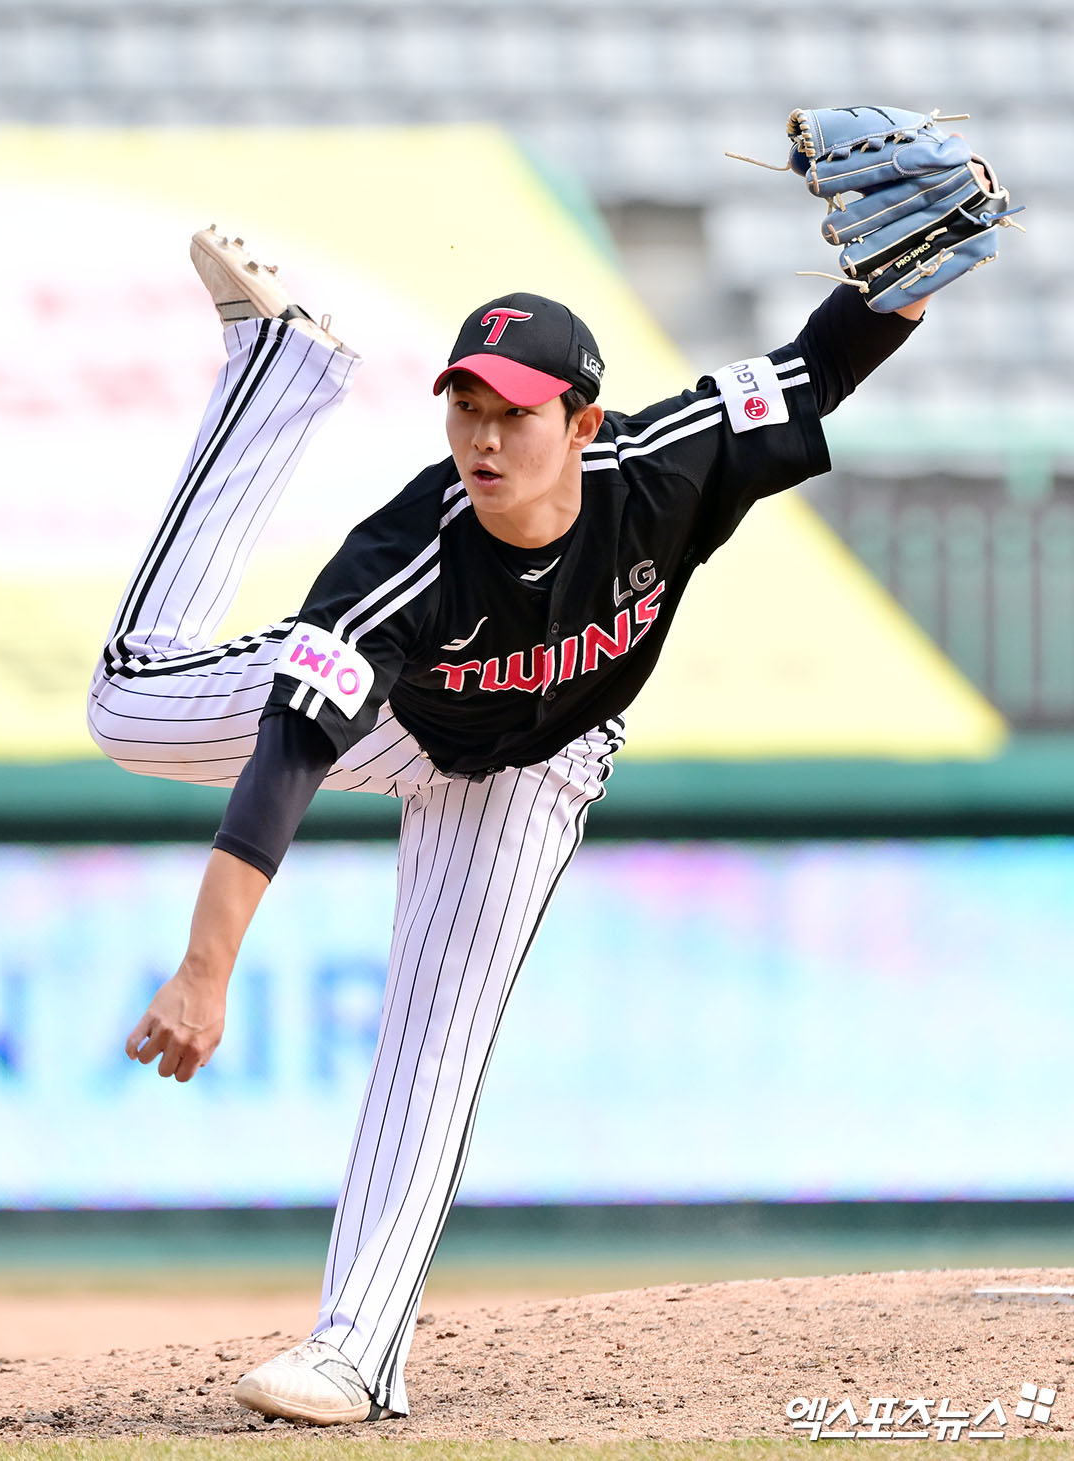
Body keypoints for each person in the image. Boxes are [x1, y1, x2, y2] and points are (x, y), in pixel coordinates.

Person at [88, 212, 931, 1424]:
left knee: (438, 1038)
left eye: (516, 412)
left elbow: (821, 366)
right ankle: (277, 371)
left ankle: (355, 1356)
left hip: (541, 764)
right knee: (125, 705)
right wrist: (205, 967)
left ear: (581, 424)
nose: (485, 437)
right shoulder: (406, 563)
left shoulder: (665, 470)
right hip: (397, 716)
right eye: (465, 407)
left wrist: (920, 275)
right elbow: (284, 759)